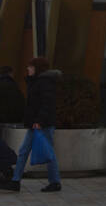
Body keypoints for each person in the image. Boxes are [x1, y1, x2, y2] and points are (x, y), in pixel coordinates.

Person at [0, 57, 63, 192]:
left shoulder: (44, 83)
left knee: (47, 153)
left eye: (30, 67)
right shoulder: (37, 82)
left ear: (37, 68)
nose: (28, 69)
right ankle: (16, 180)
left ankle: (54, 182)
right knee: (25, 152)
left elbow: (47, 104)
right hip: (36, 124)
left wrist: (39, 121)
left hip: (41, 124)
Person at [0, 65, 25, 180]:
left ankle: (7, 170)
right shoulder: (13, 85)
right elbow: (20, 101)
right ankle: (8, 170)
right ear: (11, 73)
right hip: (11, 119)